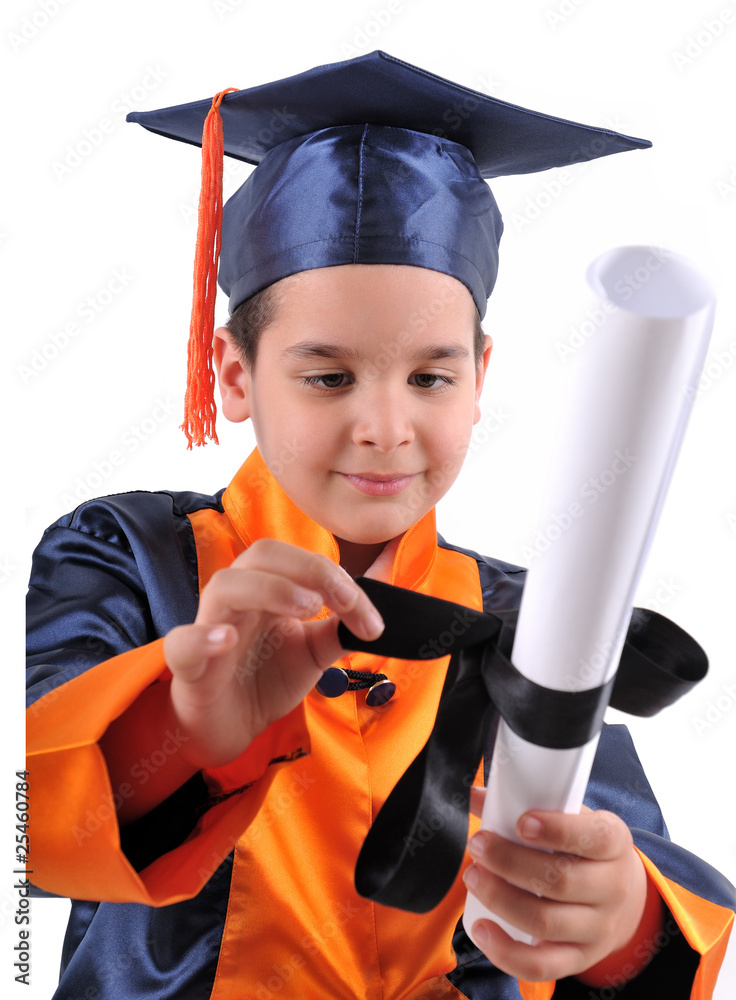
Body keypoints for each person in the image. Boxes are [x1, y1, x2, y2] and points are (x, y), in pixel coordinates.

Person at [26, 51, 735, 999]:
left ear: (481, 377)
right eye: (327, 376)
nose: (386, 427)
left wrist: (616, 922)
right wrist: (187, 730)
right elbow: (26, 828)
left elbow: (617, 871)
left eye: (431, 377)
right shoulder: (128, 556)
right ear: (234, 375)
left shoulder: (529, 619)